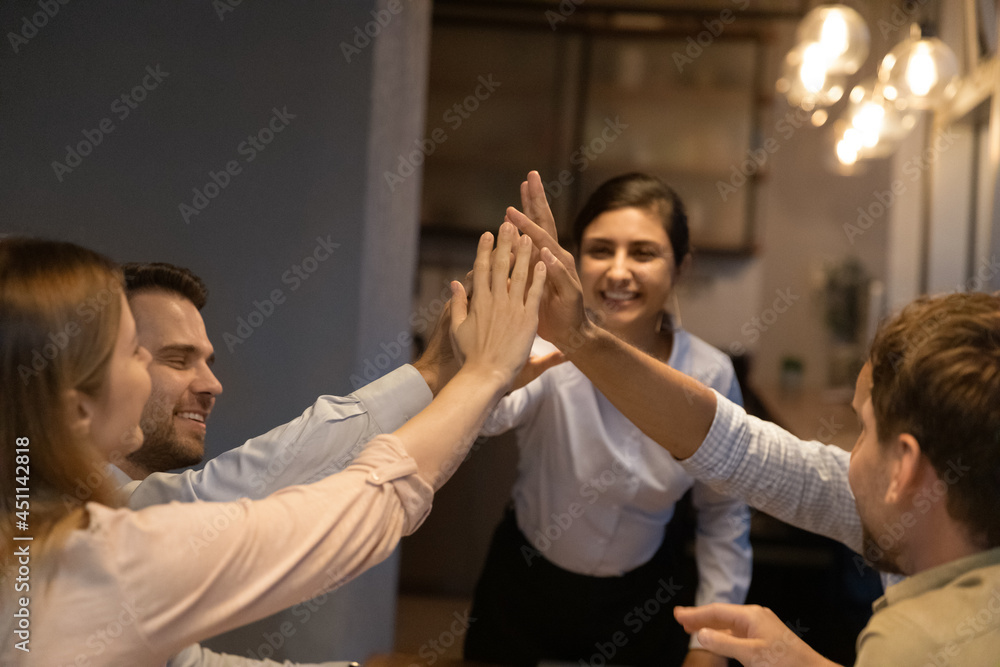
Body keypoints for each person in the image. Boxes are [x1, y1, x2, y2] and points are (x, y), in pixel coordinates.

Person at [507, 170, 1000, 666]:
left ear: (906, 467)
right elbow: (742, 451)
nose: (848, 459)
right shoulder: (924, 526)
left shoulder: (915, 640)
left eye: (865, 432)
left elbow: (731, 499)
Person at [0, 225, 545, 665]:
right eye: (135, 354)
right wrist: (484, 371)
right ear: (75, 407)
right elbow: (364, 508)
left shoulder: (29, 513)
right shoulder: (103, 557)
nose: (211, 383)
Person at [464, 174, 751, 667]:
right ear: (574, 260)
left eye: (643, 253)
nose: (619, 272)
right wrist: (483, 362)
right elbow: (485, 418)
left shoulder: (709, 374)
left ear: (681, 266)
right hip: (527, 582)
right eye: (600, 250)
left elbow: (724, 514)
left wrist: (709, 643)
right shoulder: (545, 351)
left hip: (646, 597)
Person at [113, 261, 454, 667]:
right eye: (177, 360)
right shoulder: (67, 511)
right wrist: (444, 373)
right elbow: (225, 497)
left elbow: (185, 664)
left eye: (208, 362)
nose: (212, 385)